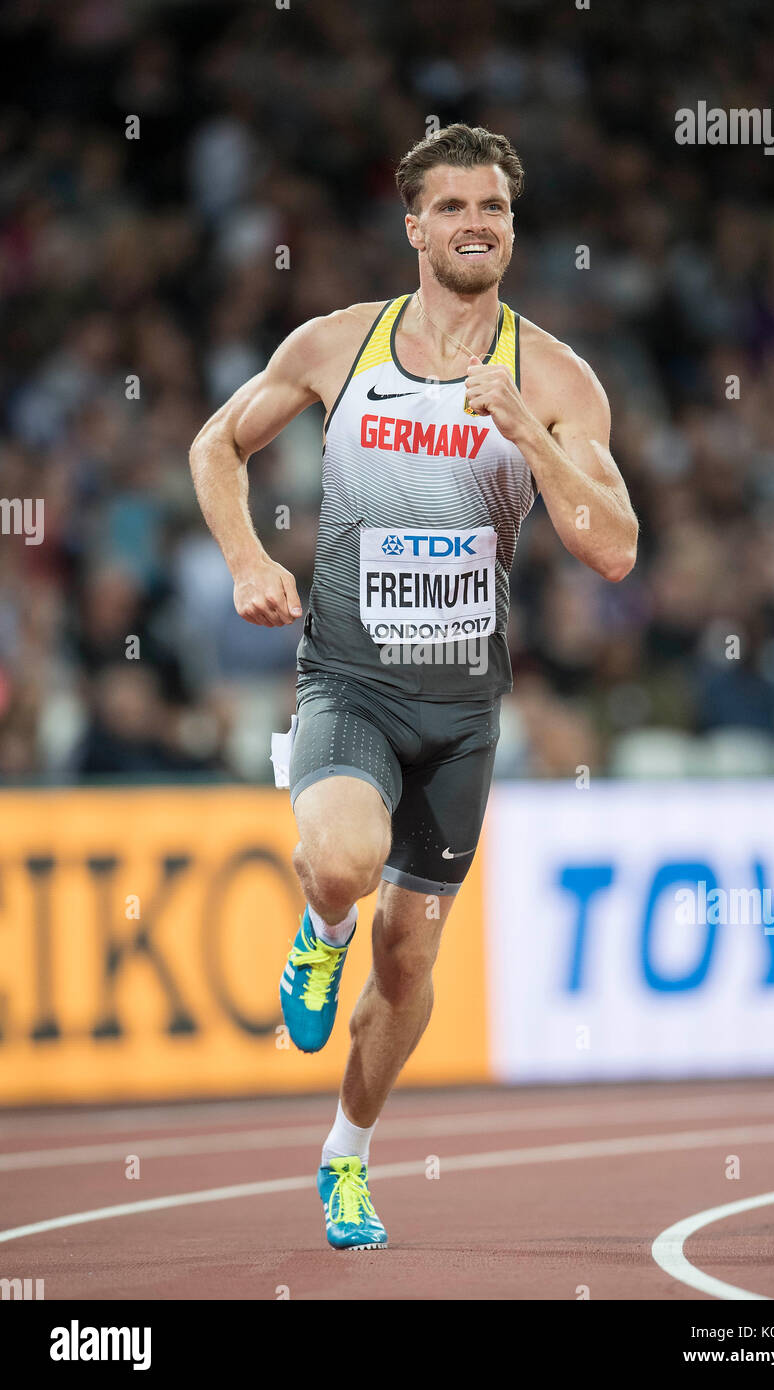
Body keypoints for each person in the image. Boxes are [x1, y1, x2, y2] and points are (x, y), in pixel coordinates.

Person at [189, 124, 638, 1250]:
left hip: (461, 712)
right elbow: (213, 447)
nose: (475, 224)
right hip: (348, 678)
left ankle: (347, 1155)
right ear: (414, 227)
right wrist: (249, 559)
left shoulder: (557, 376)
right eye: (451, 207)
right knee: (339, 858)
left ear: (512, 227)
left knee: (412, 957)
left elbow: (615, 547)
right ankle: (317, 923)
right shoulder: (341, 344)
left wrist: (527, 430)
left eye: (492, 207)